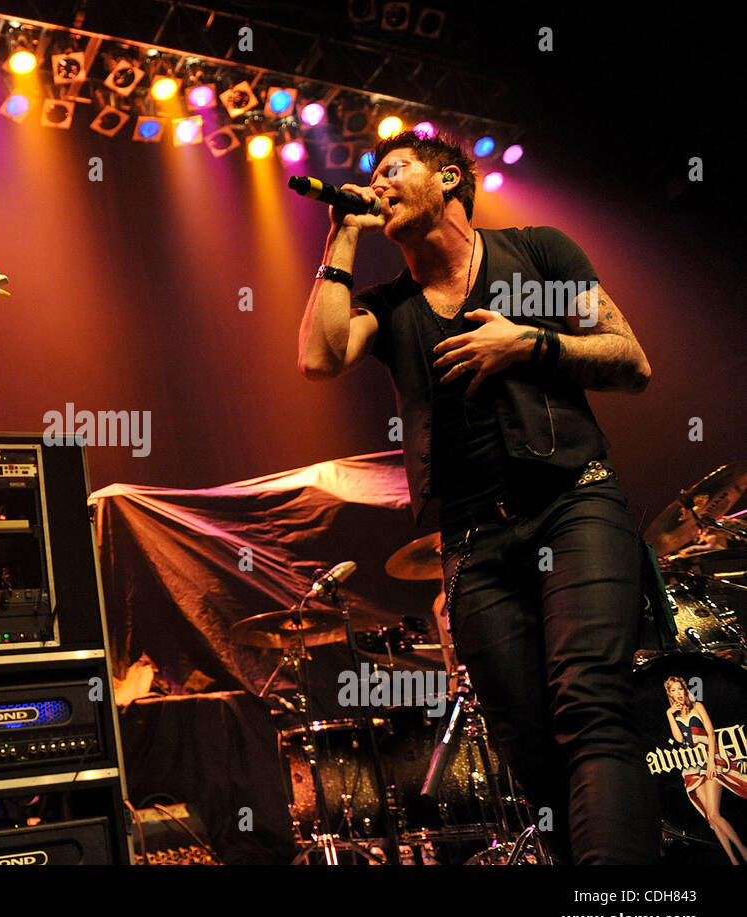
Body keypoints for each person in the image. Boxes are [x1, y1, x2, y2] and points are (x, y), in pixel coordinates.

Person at [297, 131, 658, 863]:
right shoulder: (389, 303)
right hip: (471, 540)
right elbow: (318, 356)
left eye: (394, 170)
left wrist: (531, 345)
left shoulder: (538, 255)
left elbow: (631, 360)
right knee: (526, 742)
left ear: (451, 178)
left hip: (572, 503)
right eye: (374, 177)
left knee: (590, 705)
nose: (380, 185)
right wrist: (340, 234)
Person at [664, 676, 747, 863]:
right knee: (711, 818)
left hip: (709, 761)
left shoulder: (698, 707)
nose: (678, 693)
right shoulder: (675, 715)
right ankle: (733, 859)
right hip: (691, 766)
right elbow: (679, 740)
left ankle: (742, 849)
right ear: (669, 694)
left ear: (685, 690)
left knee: (715, 814)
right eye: (673, 690)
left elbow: (710, 733)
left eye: (680, 689)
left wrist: (711, 762)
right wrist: (670, 715)